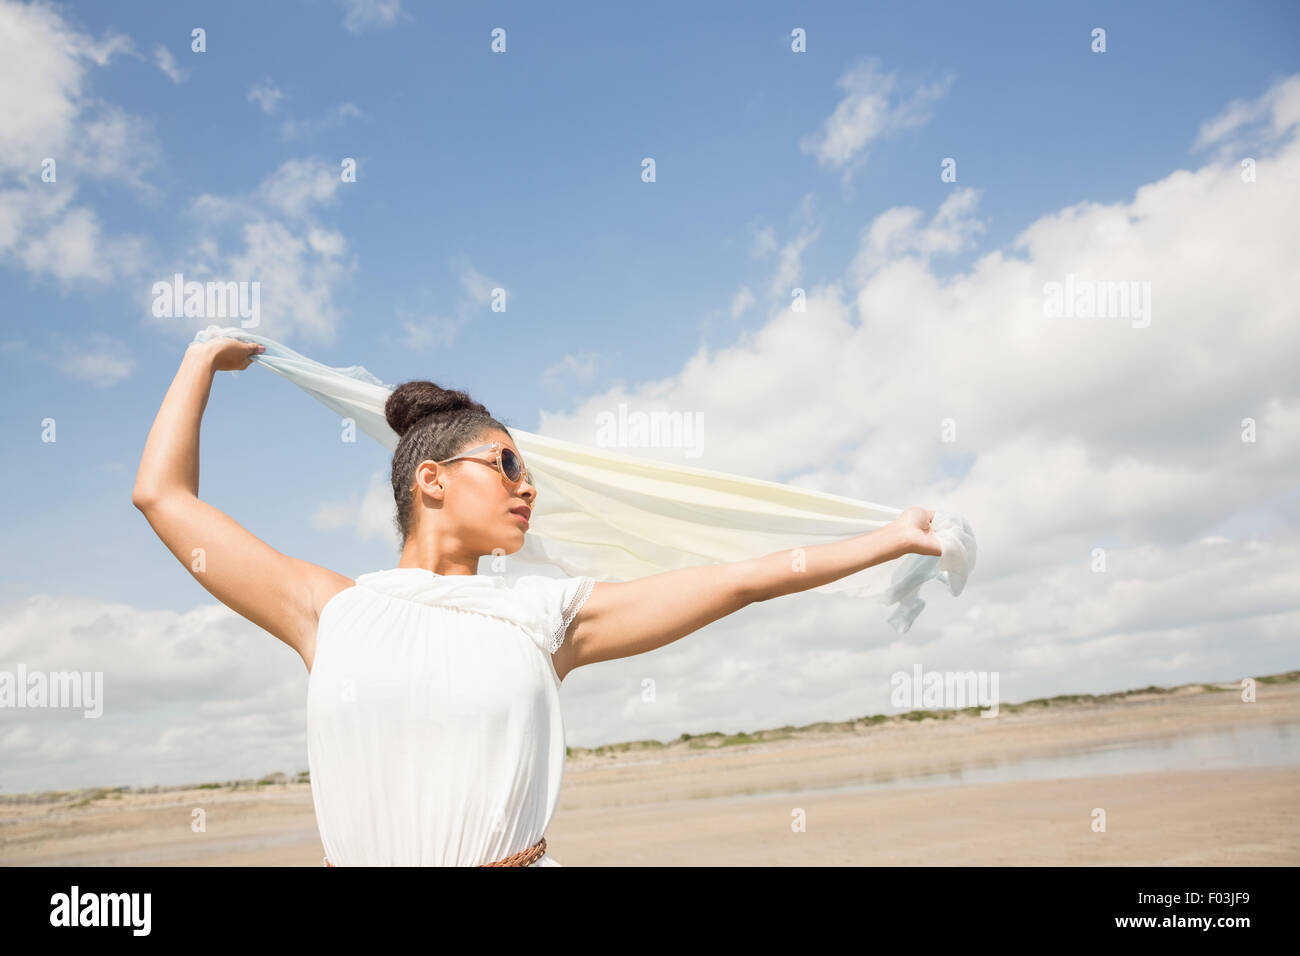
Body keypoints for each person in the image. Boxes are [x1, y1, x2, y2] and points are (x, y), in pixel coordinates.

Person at [132, 335, 943, 866]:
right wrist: (199, 361)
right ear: (433, 479)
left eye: (530, 473)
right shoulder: (330, 610)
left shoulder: (548, 618)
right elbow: (163, 497)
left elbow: (741, 579)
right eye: (507, 465)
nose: (528, 487)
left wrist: (888, 538)